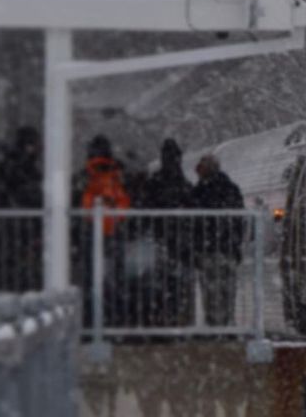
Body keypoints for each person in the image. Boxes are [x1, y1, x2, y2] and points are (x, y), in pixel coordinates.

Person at [77, 134, 132, 327]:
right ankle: (115, 322)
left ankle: (92, 322)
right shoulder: (117, 173)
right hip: (115, 232)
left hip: (91, 234)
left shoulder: (85, 176)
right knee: (116, 280)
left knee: (91, 281)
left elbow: (80, 202)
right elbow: (126, 201)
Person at [142, 138, 194, 327]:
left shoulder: (155, 182)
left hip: (160, 241)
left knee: (159, 287)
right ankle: (180, 323)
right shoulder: (185, 184)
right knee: (181, 288)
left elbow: (145, 208)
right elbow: (193, 211)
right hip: (182, 246)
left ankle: (161, 323)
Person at [189, 154, 245, 327]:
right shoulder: (231, 188)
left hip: (207, 251)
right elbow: (239, 221)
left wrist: (196, 247)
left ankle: (214, 325)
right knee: (228, 290)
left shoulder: (199, 192)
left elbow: (194, 224)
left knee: (210, 292)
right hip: (227, 250)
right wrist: (235, 244)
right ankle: (228, 323)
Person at [0, 125, 43, 290]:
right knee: (18, 264)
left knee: (9, 263)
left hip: (14, 224)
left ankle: (8, 288)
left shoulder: (8, 163)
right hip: (21, 224)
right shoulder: (23, 167)